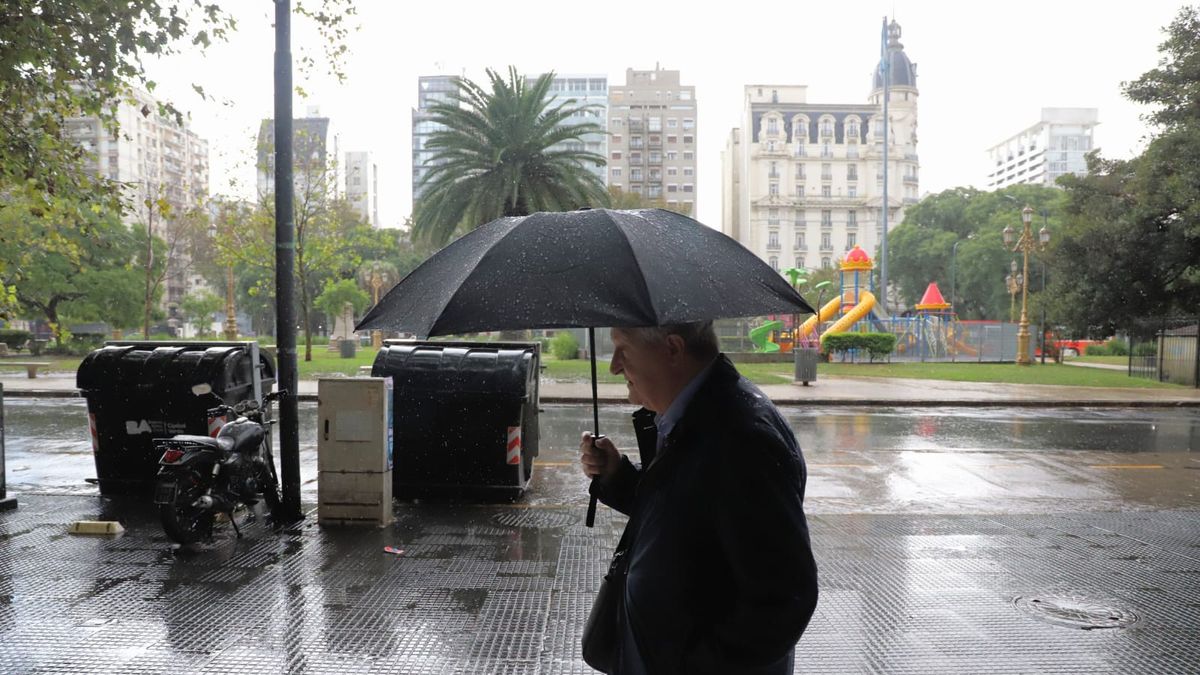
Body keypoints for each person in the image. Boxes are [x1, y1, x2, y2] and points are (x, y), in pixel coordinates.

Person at [579, 322, 819, 674]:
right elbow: (689, 512)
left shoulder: (741, 438)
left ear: (673, 349)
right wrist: (618, 477)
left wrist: (691, 665)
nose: (615, 365)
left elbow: (783, 598)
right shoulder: (694, 417)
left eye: (623, 349)